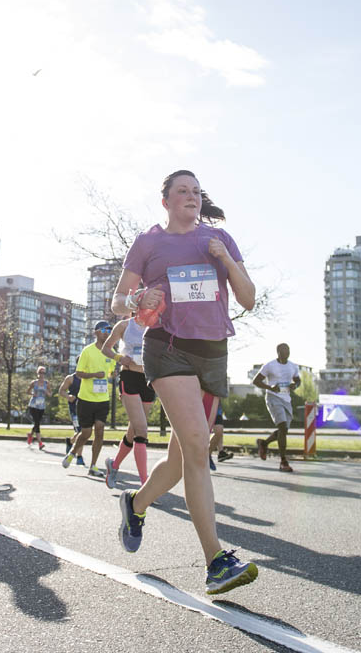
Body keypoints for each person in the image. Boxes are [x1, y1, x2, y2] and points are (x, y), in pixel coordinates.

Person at [111, 169, 259, 595]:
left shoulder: (219, 240)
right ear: (167, 201)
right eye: (182, 191)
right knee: (197, 445)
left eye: (196, 191)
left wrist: (226, 260)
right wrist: (138, 300)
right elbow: (118, 300)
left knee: (181, 461)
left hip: (213, 353)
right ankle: (216, 561)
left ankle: (135, 504)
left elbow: (248, 298)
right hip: (168, 347)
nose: (191, 196)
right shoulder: (148, 242)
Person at [102, 316, 153, 486]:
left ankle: (113, 465)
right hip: (129, 376)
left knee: (134, 430)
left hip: (148, 379)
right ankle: (145, 483)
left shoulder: (156, 324)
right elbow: (106, 348)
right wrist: (119, 358)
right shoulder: (124, 325)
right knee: (142, 430)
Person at [62, 322, 117, 477]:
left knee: (99, 431)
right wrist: (94, 375)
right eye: (105, 330)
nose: (107, 333)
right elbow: (79, 373)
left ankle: (93, 465)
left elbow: (111, 373)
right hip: (86, 399)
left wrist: (112, 375)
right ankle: (73, 452)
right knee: (85, 433)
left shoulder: (111, 351)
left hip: (102, 399)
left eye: (110, 330)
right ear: (96, 333)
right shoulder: (87, 351)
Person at [253, 343, 301, 473]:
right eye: (284, 350)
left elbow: (297, 380)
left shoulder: (293, 366)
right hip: (273, 397)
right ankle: (283, 462)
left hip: (286, 399)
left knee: (283, 431)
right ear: (278, 352)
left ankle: (264, 443)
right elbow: (256, 381)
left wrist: (294, 386)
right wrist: (270, 387)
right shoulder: (269, 365)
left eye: (288, 350)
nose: (287, 353)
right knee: (282, 427)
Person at [57, 372, 85, 465]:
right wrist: (68, 396)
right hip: (74, 410)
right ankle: (79, 457)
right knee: (81, 431)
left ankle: (70, 441)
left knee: (82, 432)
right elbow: (61, 390)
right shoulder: (70, 378)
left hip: (86, 409)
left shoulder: (89, 377)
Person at [26, 366, 50, 450]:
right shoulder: (34, 382)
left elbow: (50, 394)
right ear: (37, 373)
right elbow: (27, 391)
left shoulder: (47, 383)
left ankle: (30, 434)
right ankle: (40, 443)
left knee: (37, 422)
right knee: (37, 423)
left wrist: (46, 391)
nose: (42, 374)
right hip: (33, 405)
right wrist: (32, 394)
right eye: (40, 372)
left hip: (41, 405)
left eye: (43, 373)